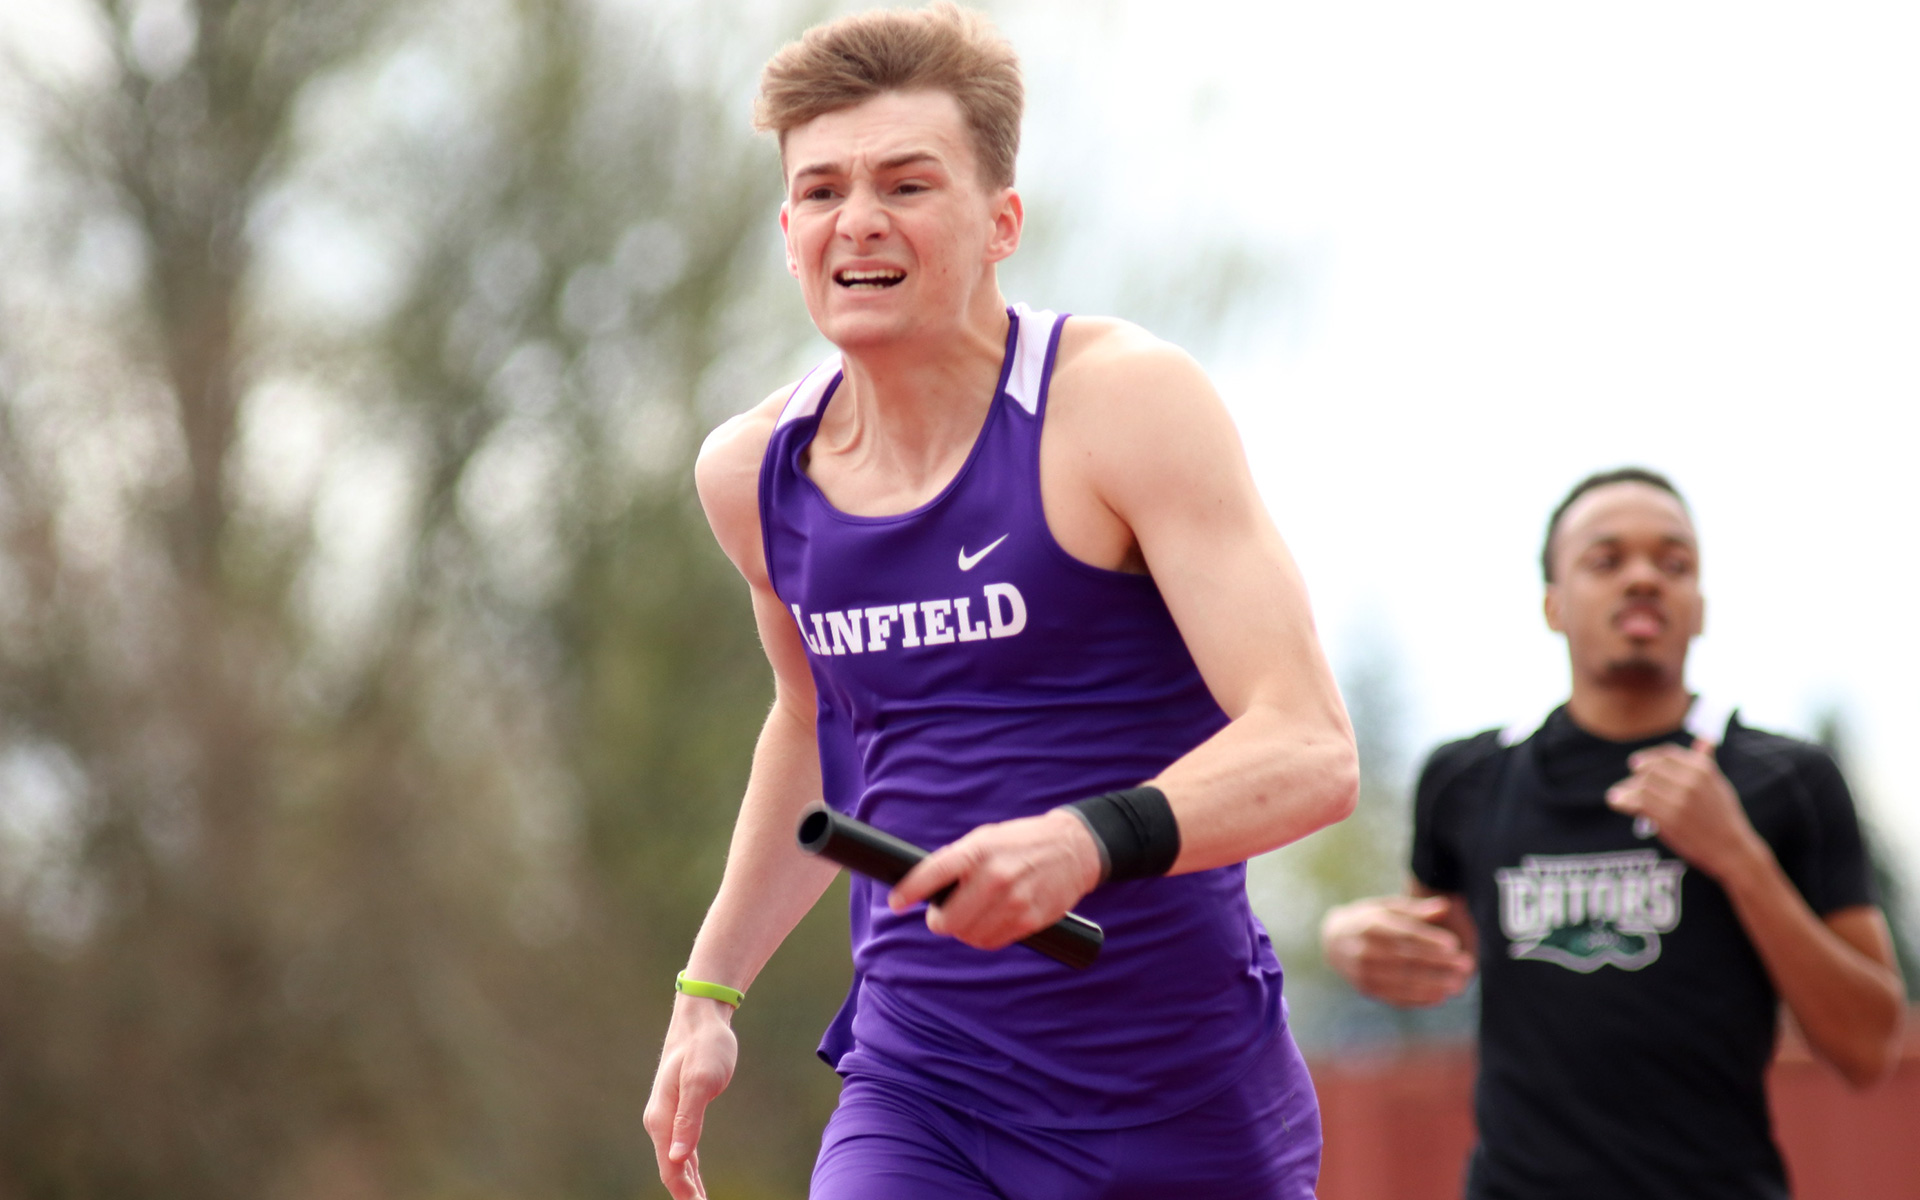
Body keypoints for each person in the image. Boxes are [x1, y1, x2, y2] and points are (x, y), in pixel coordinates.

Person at [641, 5, 1358, 1198]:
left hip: (1175, 1098)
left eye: (905, 184)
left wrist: (1085, 842)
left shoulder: (1120, 407)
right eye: (820, 191)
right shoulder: (753, 474)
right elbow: (814, 727)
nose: (857, 220)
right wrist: (708, 990)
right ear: (788, 230)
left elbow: (1311, 747)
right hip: (921, 1084)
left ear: (1000, 223)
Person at [1321, 467, 1906, 1199]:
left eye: (1674, 563)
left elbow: (1869, 1048)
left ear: (1700, 607)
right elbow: (1428, 960)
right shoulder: (1468, 780)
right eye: (1606, 560)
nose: (1643, 580)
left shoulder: (1787, 780)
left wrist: (1739, 858)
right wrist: (1346, 934)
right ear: (1553, 604)